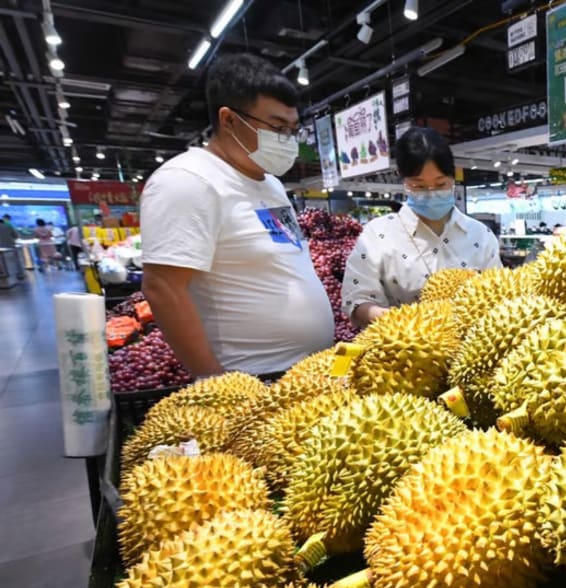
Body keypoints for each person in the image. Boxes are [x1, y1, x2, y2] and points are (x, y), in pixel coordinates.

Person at [139, 53, 333, 377]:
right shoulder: (188, 180)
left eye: (293, 130)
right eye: (277, 127)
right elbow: (162, 287)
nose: (287, 140)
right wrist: (218, 387)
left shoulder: (271, 184)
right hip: (251, 383)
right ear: (228, 120)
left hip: (312, 376)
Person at [342, 127, 500, 328]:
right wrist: (400, 321)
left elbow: (499, 293)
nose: (431, 192)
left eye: (441, 183)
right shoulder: (377, 234)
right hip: (405, 350)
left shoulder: (480, 235)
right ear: (404, 182)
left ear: (453, 179)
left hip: (476, 350)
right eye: (419, 186)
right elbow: (356, 301)